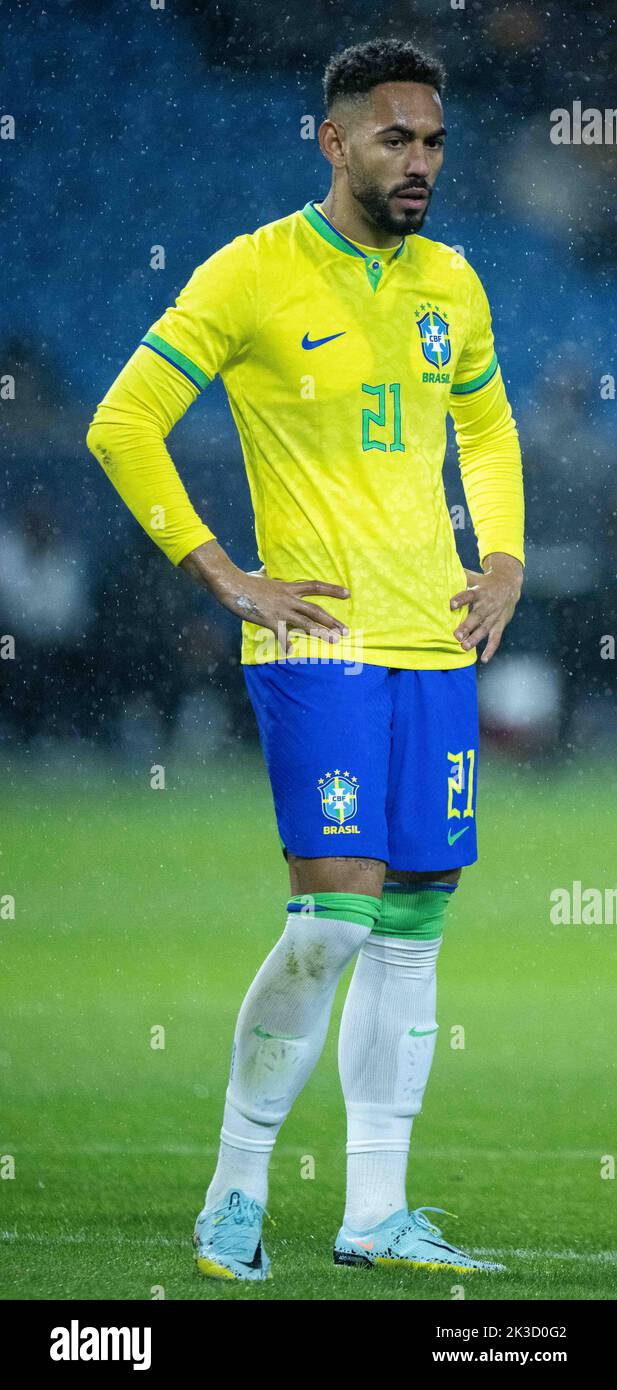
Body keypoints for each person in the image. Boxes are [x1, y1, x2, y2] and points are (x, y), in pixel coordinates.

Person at [87, 37, 524, 1281]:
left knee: (410, 929)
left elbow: (485, 427)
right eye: (394, 137)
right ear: (331, 142)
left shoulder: (452, 283)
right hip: (318, 643)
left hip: (433, 648)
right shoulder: (252, 274)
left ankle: (372, 1210)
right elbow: (121, 422)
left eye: (434, 140)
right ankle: (234, 1186)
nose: (419, 161)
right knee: (331, 922)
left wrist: (501, 557)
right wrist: (220, 572)